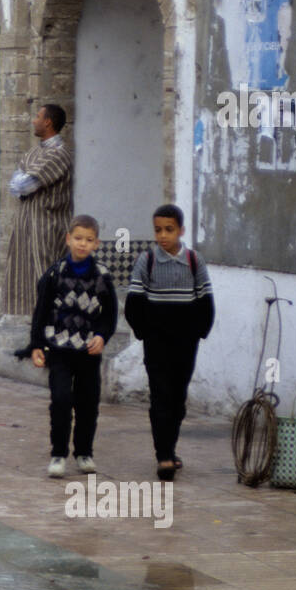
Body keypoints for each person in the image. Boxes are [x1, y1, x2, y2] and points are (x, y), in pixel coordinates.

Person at [124, 204, 215, 481]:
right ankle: (163, 455)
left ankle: (171, 449)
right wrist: (143, 332)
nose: (163, 236)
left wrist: (199, 332)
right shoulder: (147, 261)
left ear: (181, 230)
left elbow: (206, 301)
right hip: (157, 344)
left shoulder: (193, 261)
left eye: (169, 230)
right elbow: (134, 302)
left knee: (178, 399)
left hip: (185, 344)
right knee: (160, 395)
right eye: (158, 230)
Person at [25, 214, 118, 477]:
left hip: (89, 352)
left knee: (88, 402)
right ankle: (58, 454)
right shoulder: (54, 274)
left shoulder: (102, 277)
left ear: (96, 244)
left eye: (88, 240)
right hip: (59, 351)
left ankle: (84, 452)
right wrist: (36, 346)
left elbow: (110, 315)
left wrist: (102, 336)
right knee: (61, 399)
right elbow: (40, 312)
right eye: (78, 238)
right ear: (68, 239)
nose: (82, 244)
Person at [0, 104, 73, 316]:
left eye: (38, 116)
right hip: (26, 224)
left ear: (48, 122)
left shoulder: (59, 154)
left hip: (47, 226)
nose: (34, 120)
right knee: (24, 277)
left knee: (46, 275)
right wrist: (22, 181)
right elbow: (13, 185)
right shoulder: (34, 152)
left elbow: (24, 185)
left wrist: (23, 181)